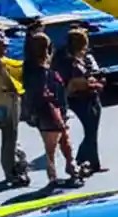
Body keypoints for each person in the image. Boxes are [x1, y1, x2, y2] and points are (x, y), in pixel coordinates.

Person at [23, 32, 78, 186]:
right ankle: (53, 176)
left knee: (65, 140)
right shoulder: (38, 71)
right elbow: (45, 96)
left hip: (54, 111)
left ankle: (70, 166)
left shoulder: (38, 67)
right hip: (49, 113)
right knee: (52, 146)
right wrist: (57, 115)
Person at [56, 28, 107, 177]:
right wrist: (90, 83)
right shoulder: (69, 61)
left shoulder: (84, 58)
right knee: (90, 131)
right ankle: (80, 161)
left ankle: (94, 163)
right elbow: (72, 84)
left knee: (93, 131)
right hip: (80, 99)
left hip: (91, 97)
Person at [0, 34, 25, 185]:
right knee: (10, 138)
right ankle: (11, 172)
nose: (6, 49)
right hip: (7, 102)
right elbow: (10, 84)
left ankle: (13, 165)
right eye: (3, 46)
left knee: (7, 137)